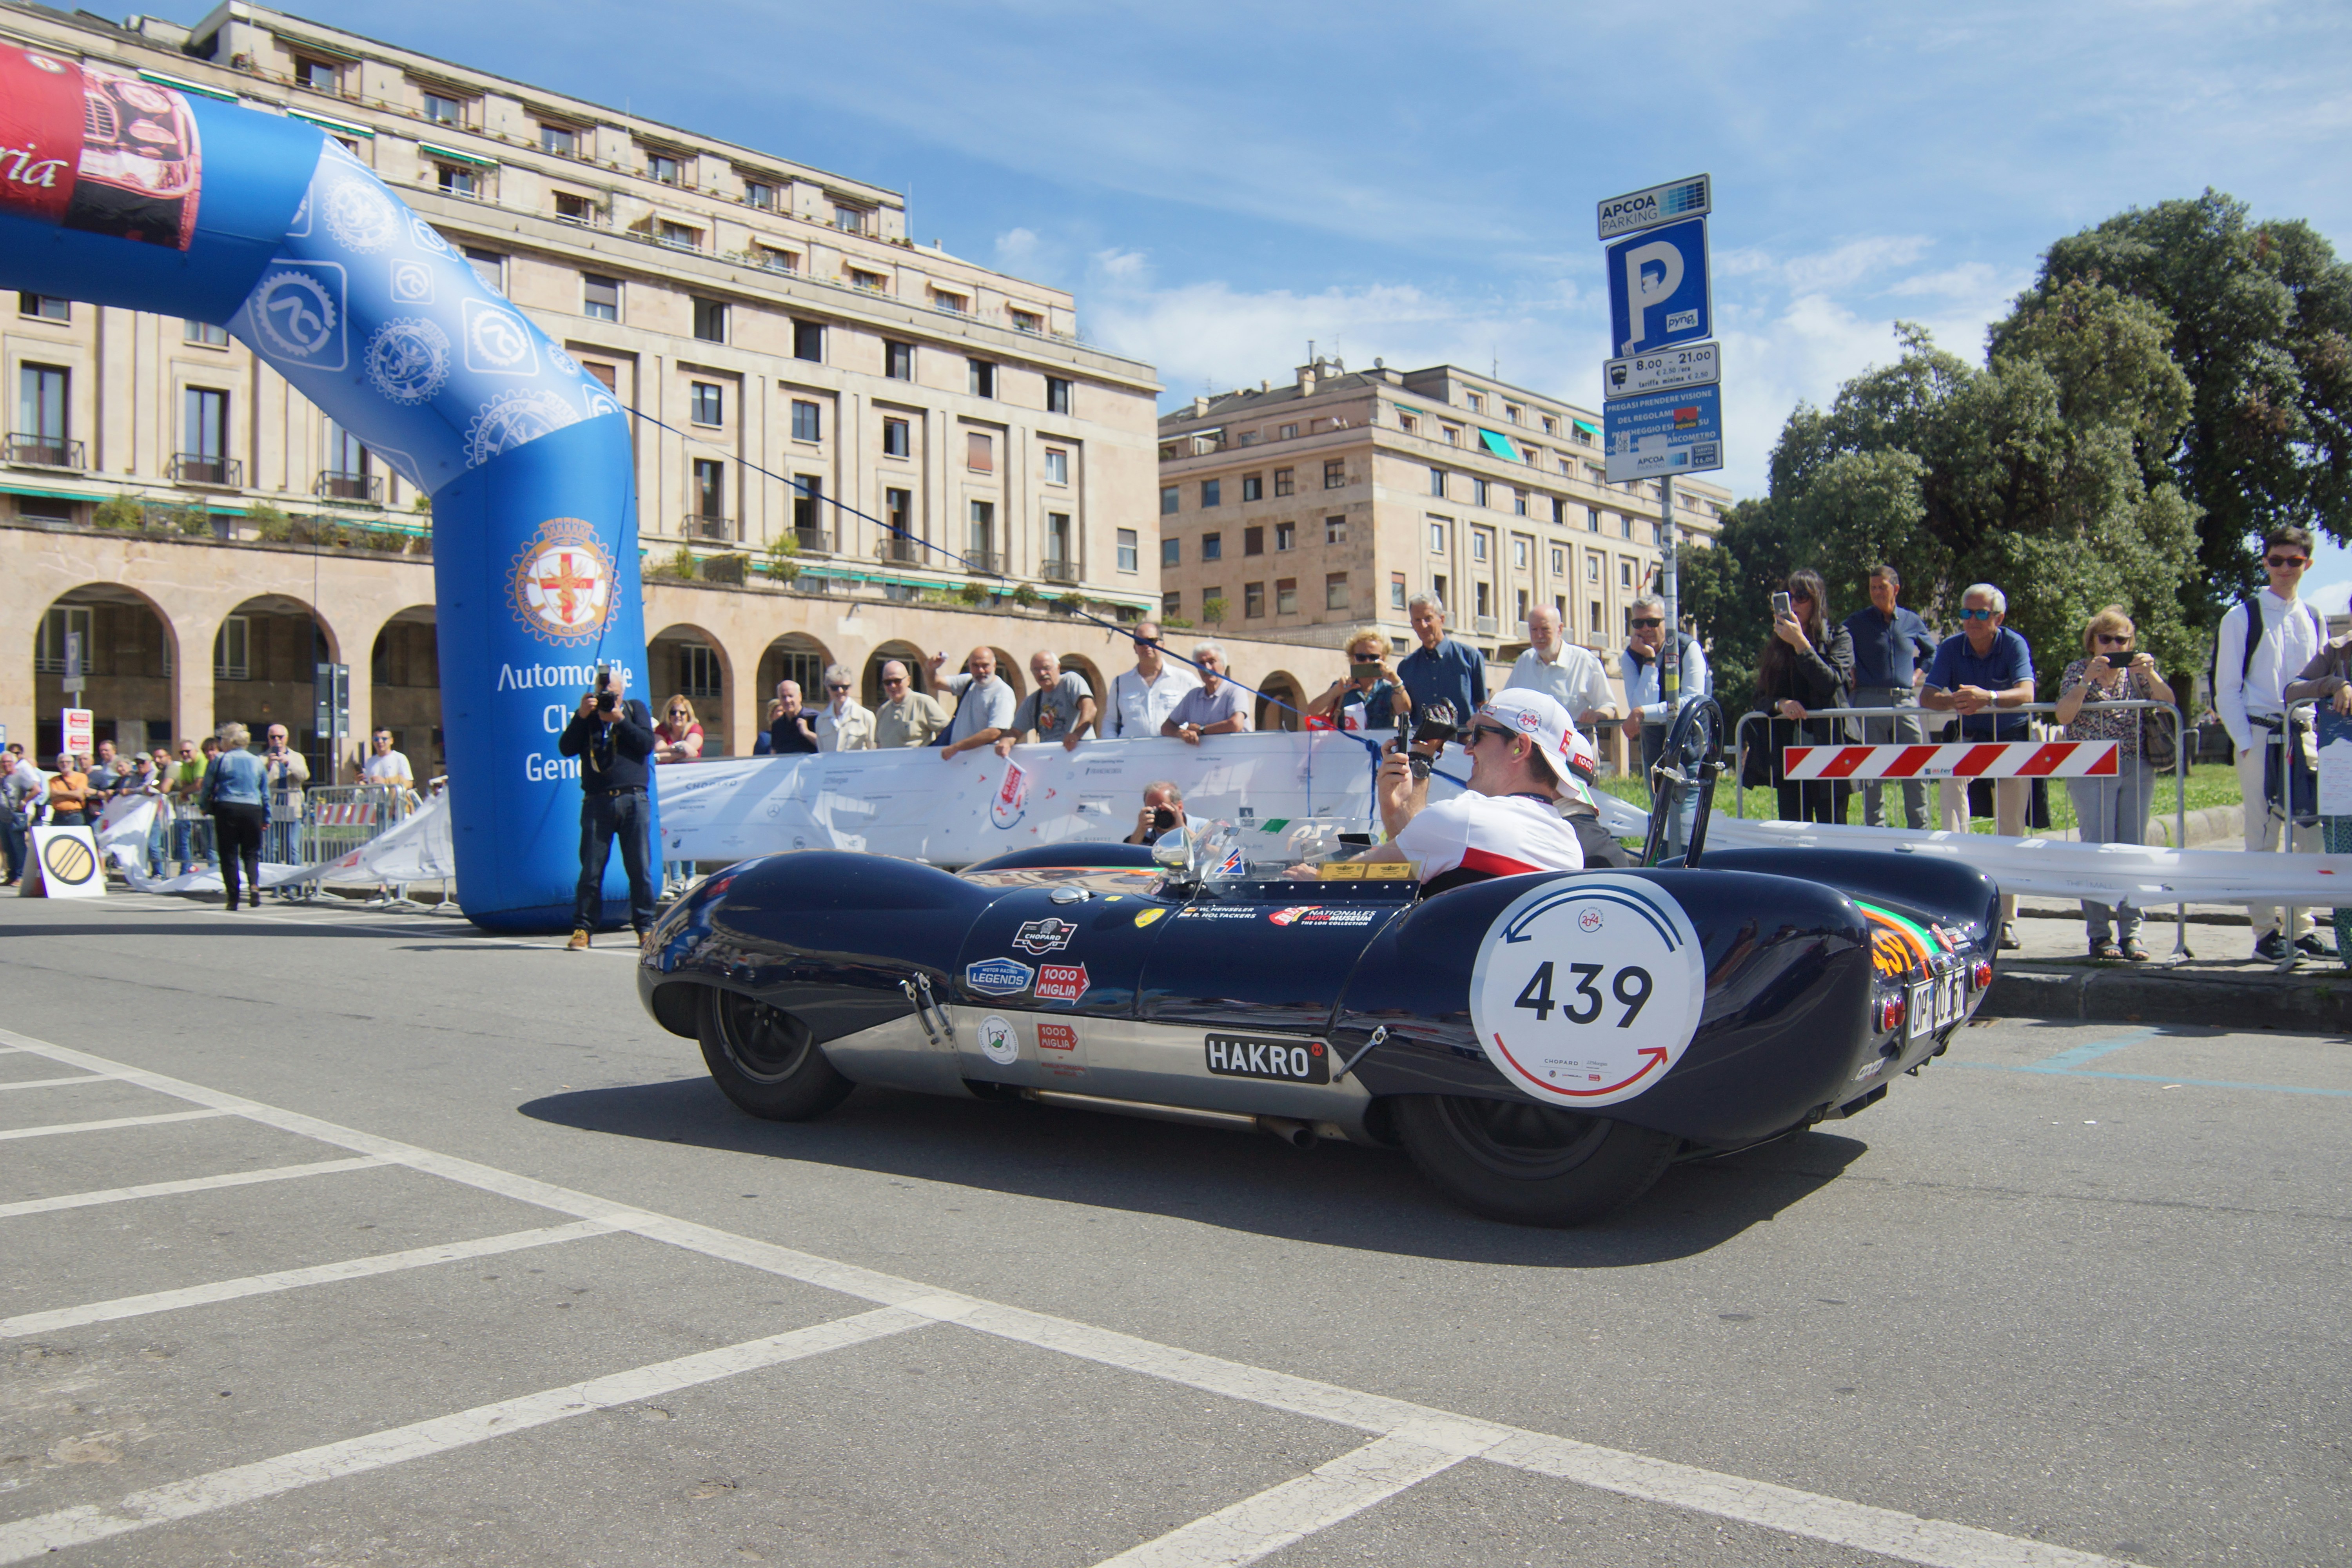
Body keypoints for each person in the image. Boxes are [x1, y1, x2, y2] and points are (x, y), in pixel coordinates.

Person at [1290, 689, 1585, 885]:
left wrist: (1314, 878)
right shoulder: (1569, 844)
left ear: (1520, 748)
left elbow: (1353, 878)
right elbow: (1424, 851)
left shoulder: (1467, 820)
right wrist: (1414, 775)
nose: (1468, 749)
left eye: (1478, 734)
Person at [2214, 526, 2331, 962]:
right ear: (2265, 562)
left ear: (2307, 565)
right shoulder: (2242, 615)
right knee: (2262, 835)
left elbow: (2320, 682)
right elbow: (2225, 687)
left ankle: (2302, 927)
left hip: (2305, 732)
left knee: (2311, 834)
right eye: (2276, 560)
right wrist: (2244, 742)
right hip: (2260, 732)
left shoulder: (2315, 617)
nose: (2285, 568)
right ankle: (2266, 932)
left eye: (2294, 561)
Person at [2056, 606, 2175, 962]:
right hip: (2090, 767)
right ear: (2092, 641)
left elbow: (2168, 704)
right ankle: (2100, 934)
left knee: (2132, 849)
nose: (2112, 646)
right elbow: (2063, 715)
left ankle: (2133, 932)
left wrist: (2151, 674)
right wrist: (2086, 682)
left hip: (2135, 764)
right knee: (2096, 848)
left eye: (2121, 640)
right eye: (2105, 639)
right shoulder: (2078, 670)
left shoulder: (2137, 674)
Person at [1920, 582, 2035, 946]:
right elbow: (1927, 695)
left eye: (1980, 614)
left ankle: (2008, 920)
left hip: (2011, 738)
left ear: (1998, 618)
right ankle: (1958, 892)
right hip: (1968, 736)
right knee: (1950, 795)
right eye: (1966, 613)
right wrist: (1954, 700)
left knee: (2011, 824)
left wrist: (1989, 697)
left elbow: (2027, 693)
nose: (1971, 621)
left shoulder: (2014, 644)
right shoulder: (1952, 647)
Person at [557, 679, 658, 949]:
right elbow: (566, 748)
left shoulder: (634, 709)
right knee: (591, 870)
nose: (607, 696)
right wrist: (581, 716)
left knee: (640, 869)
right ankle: (583, 929)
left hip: (634, 799)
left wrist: (620, 720)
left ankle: (646, 928)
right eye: (603, 691)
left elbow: (647, 744)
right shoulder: (587, 718)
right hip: (597, 801)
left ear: (622, 691)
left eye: (612, 691)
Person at [1755, 570, 1856, 825]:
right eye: (1789, 597)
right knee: (1793, 830)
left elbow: (1829, 682)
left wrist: (1800, 643)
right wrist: (1781, 704)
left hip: (1830, 747)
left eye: (1802, 597)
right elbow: (1759, 698)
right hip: (1790, 751)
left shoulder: (1839, 636)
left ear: (1817, 600)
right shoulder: (1777, 645)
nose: (1795, 604)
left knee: (1832, 829)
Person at [1842, 564, 1938, 830]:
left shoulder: (1911, 621)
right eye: (1872, 588)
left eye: (1881, 587)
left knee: (1915, 765)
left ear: (1895, 589)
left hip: (1905, 701)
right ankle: (1876, 831)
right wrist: (1850, 671)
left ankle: (1920, 829)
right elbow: (1835, 642)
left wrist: (1918, 674)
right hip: (1868, 701)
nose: (1876, 592)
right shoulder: (1858, 621)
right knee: (1872, 772)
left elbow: (1932, 653)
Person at [2282, 626, 2352, 969]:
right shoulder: (2337, 651)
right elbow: (2293, 691)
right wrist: (2334, 684)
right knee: (2344, 866)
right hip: (2345, 777)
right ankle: (2351, 954)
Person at [1620, 593, 1710, 791]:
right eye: (1639, 623)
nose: (1646, 629)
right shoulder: (1630, 657)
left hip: (1691, 751)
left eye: (1652, 622)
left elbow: (1692, 702)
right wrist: (1649, 661)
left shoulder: (1688, 648)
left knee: (1689, 818)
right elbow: (1640, 705)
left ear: (1667, 622)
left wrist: (1643, 712)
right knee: (1661, 818)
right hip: (1655, 754)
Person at [1506, 604, 1615, 730]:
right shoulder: (1525, 660)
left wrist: (1597, 715)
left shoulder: (1585, 661)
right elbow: (1506, 703)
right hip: (1531, 745)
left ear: (1560, 629)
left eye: (1545, 629)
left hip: (1573, 744)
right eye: (1534, 630)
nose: (1539, 636)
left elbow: (1609, 707)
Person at [202, 722, 268, 910]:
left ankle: (233, 897)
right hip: (252, 808)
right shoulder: (257, 761)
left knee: (229, 853)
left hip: (228, 806)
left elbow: (208, 785)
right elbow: (264, 792)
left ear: (229, 741)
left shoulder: (221, 760)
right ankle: (254, 886)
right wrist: (267, 816)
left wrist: (204, 805)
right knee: (251, 852)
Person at [1396, 593, 1485, 721]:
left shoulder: (1470, 657)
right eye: (1417, 620)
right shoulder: (1406, 667)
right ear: (1412, 624)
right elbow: (1403, 712)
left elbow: (1483, 705)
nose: (1423, 625)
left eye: (1428, 619)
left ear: (1442, 619)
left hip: (1462, 739)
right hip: (1422, 740)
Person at [1308, 628, 1410, 733]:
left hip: (1380, 748)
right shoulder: (1342, 689)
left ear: (1383, 659)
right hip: (1347, 747)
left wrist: (1396, 681)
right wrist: (1336, 691)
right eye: (1361, 657)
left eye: (1373, 657)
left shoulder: (1389, 690)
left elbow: (1405, 712)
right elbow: (1313, 712)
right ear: (1353, 659)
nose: (1367, 662)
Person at [1106, 621, 1197, 738]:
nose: (1146, 646)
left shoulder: (1185, 679)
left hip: (1174, 752)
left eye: (1152, 641)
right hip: (1132, 753)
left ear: (1163, 645)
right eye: (1141, 642)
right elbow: (1110, 721)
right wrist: (1111, 745)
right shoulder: (1120, 683)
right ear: (1135, 648)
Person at [995, 652, 1096, 756]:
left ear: (1058, 667)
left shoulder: (1070, 681)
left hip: (1079, 754)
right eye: (1036, 670)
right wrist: (1006, 742)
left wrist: (1076, 734)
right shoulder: (1033, 701)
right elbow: (1015, 732)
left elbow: (1090, 709)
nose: (1042, 673)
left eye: (1046, 668)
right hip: (1051, 759)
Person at [653, 696, 705, 896]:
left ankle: (690, 877)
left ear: (688, 714)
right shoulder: (661, 731)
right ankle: (675, 880)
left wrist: (665, 754)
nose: (677, 716)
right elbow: (659, 750)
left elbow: (691, 751)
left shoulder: (695, 729)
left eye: (681, 712)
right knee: (669, 829)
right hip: (667, 788)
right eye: (673, 712)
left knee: (688, 829)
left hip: (689, 786)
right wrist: (679, 748)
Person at [933, 647, 1016, 759]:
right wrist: (931, 669)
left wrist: (956, 748)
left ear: (994, 665)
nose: (981, 671)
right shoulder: (969, 682)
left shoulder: (1002, 692)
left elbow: (995, 732)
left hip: (984, 761)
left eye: (985, 665)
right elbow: (936, 683)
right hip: (959, 760)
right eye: (975, 666)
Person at [1161, 642, 1251, 744]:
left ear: (1223, 665)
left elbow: (1235, 724)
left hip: (1236, 756)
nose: (1207, 668)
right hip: (1203, 757)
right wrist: (1181, 734)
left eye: (1212, 662)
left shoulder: (1235, 690)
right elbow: (1166, 727)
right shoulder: (1193, 696)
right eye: (1201, 663)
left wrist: (1201, 730)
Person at [260, 723, 309, 870]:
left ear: (286, 738)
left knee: (292, 847)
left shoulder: (297, 757)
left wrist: (288, 763)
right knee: (271, 847)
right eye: (272, 737)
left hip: (292, 808)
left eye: (280, 737)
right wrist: (269, 766)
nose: (277, 740)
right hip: (272, 808)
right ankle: (272, 884)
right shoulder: (262, 758)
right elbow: (260, 782)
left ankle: (293, 884)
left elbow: (304, 776)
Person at [871, 660, 950, 748]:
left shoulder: (924, 703)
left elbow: (947, 732)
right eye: (888, 682)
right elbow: (879, 744)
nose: (892, 686)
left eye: (897, 681)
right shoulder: (882, 711)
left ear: (908, 680)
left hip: (918, 761)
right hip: (888, 762)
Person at [1, 744, 41, 884]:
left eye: (9, 762)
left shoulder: (20, 777)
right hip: (3, 819)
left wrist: (24, 802)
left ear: (14, 763)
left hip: (16, 818)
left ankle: (21, 875)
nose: (6, 765)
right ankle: (11, 875)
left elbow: (37, 789)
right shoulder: (3, 779)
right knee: (8, 848)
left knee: (18, 846)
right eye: (4, 762)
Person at [815, 664, 876, 752]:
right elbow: (821, 753)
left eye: (844, 687)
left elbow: (872, 752)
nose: (840, 691)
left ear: (851, 688)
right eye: (834, 688)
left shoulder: (867, 717)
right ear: (828, 688)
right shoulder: (821, 720)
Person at [1125, 780, 1187, 846]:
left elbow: (1199, 850)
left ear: (1180, 807)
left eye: (1163, 810)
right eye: (1154, 811)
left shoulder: (1198, 829)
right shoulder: (1147, 833)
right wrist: (1140, 832)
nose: (1159, 815)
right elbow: (1125, 855)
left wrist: (1182, 829)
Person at [764, 680, 818, 755]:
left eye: (791, 696)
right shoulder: (777, 725)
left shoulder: (815, 718)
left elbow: (826, 745)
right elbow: (774, 752)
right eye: (784, 697)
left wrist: (807, 733)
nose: (788, 700)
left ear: (800, 697)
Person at [361, 728, 414, 793]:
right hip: (374, 802)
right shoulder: (370, 761)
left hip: (393, 802)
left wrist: (386, 782)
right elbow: (368, 786)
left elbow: (409, 784)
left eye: (384, 739)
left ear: (391, 741)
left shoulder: (400, 758)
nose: (380, 742)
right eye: (376, 739)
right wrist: (361, 784)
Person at [46, 753, 91, 827]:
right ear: (58, 765)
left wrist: (59, 793)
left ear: (73, 764)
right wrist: (72, 794)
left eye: (68, 762)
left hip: (75, 815)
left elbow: (79, 794)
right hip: (58, 816)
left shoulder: (81, 777)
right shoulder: (53, 780)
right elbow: (53, 796)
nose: (65, 764)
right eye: (62, 762)